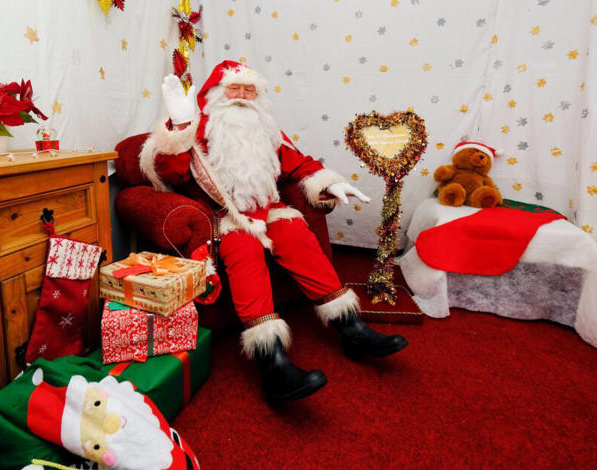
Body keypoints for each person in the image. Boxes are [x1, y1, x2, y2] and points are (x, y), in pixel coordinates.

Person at [140, 60, 407, 406]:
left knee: (296, 233)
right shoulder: (199, 127)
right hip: (224, 218)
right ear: (217, 94)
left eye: (248, 90)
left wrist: (332, 184)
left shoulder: (266, 128)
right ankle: (272, 362)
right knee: (244, 250)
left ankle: (351, 328)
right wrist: (179, 125)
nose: (241, 96)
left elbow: (298, 162)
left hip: (268, 210)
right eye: (234, 89)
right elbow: (171, 174)